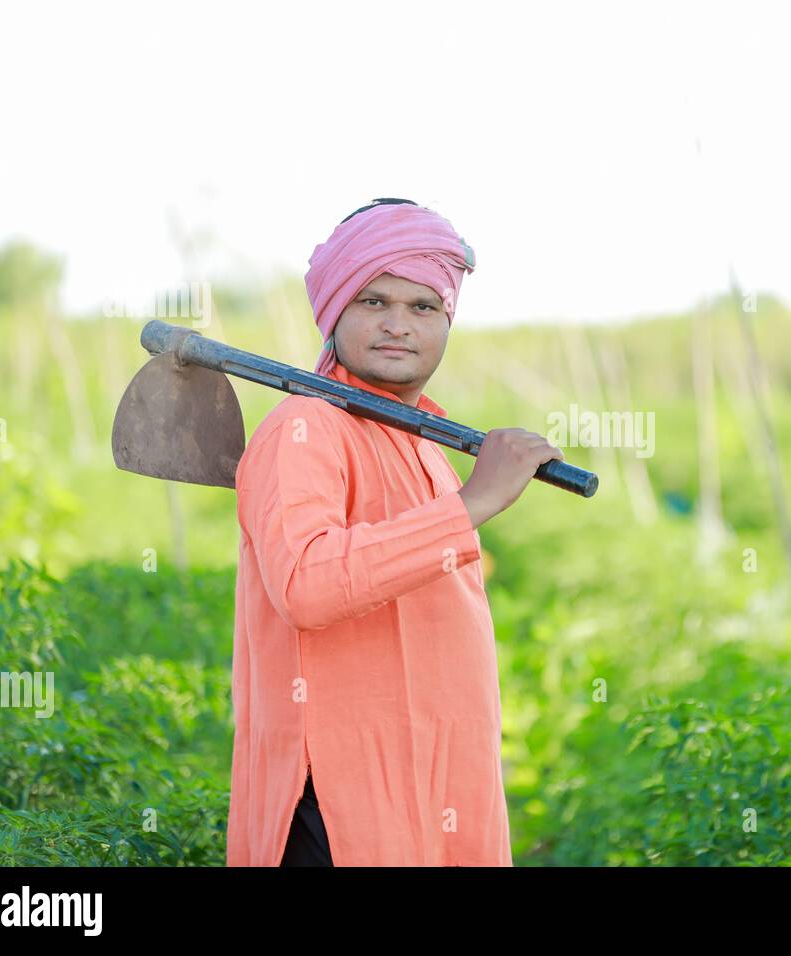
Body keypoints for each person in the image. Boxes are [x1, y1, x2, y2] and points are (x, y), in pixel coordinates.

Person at [225, 198, 564, 866]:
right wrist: (472, 505)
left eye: (422, 307)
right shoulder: (306, 428)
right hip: (334, 811)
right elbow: (307, 585)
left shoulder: (424, 446)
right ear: (334, 312)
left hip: (433, 794)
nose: (398, 326)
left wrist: (463, 499)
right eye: (374, 301)